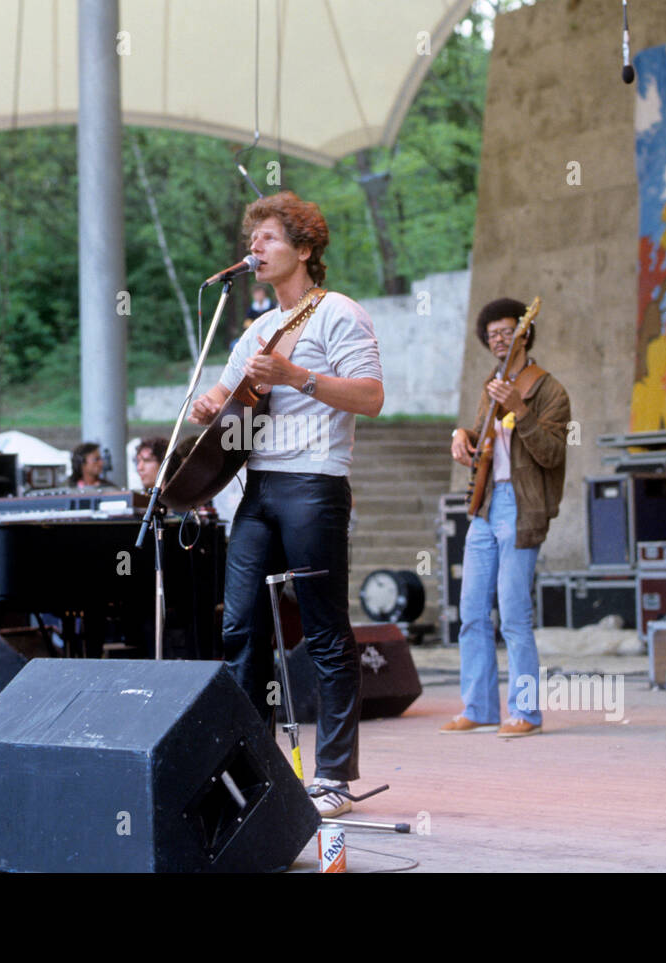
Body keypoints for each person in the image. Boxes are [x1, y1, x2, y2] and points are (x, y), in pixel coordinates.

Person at [188, 191, 383, 817]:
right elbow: (224, 391)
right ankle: (252, 768)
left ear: (304, 249)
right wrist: (209, 404)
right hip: (259, 487)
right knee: (239, 625)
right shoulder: (257, 328)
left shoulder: (339, 314)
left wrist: (298, 377)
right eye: (253, 239)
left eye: (269, 238)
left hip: (314, 483)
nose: (256, 248)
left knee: (324, 628)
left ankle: (333, 776)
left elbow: (373, 397)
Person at [445, 298, 570, 737]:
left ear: (524, 332)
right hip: (484, 505)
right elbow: (484, 440)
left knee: (514, 613)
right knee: (472, 610)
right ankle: (478, 707)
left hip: (521, 505)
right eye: (492, 334)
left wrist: (521, 407)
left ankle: (526, 712)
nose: (499, 339)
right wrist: (462, 436)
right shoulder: (489, 385)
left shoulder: (549, 389)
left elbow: (553, 453)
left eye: (506, 331)